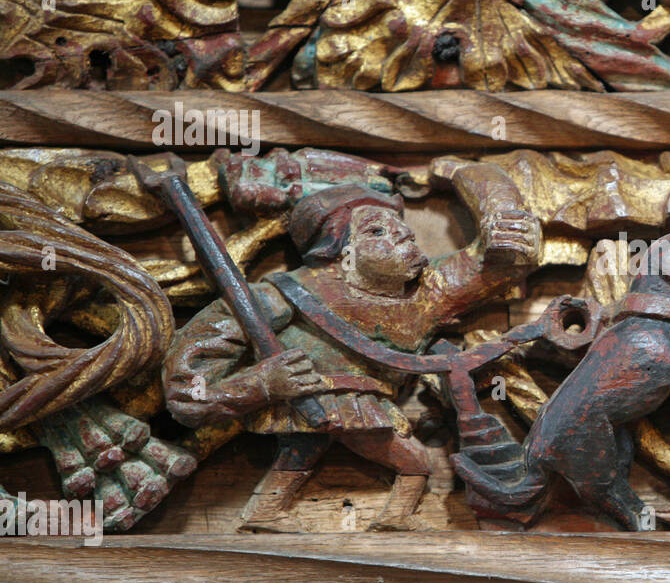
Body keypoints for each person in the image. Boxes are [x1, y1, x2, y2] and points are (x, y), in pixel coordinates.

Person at [164, 184, 539, 530]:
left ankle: (270, 511)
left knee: (304, 452)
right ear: (344, 255)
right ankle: (388, 517)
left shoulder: (428, 294)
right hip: (330, 402)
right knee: (413, 463)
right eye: (376, 232)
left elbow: (504, 260)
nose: (402, 236)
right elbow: (187, 391)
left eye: (403, 230)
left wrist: (497, 204)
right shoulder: (285, 296)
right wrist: (259, 384)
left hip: (354, 403)